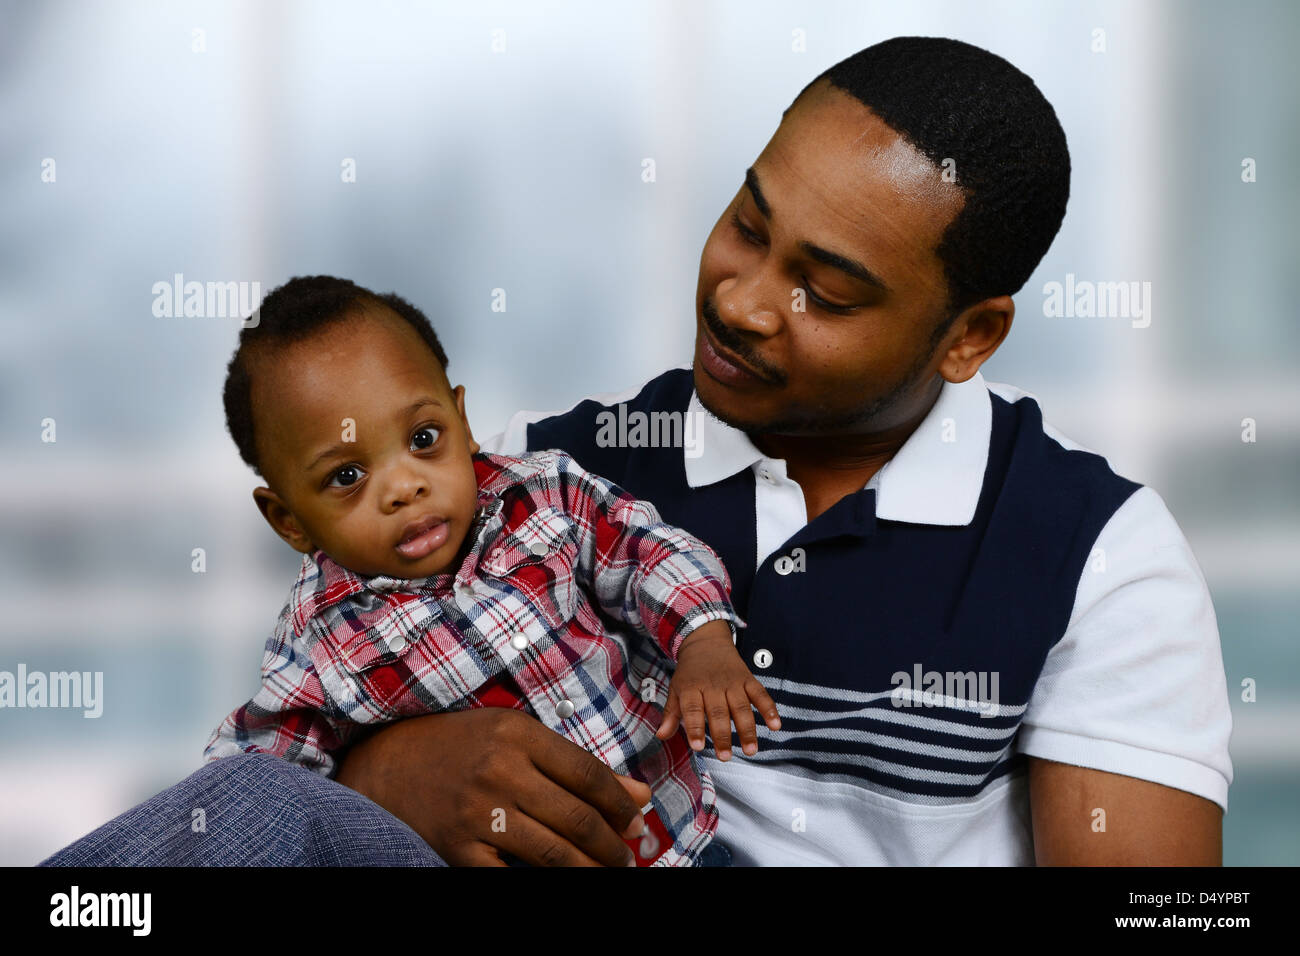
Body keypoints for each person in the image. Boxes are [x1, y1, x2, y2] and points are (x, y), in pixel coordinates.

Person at [42, 36, 1231, 867]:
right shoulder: (524, 482)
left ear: (968, 334)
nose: (745, 300)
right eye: (749, 224)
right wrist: (384, 777)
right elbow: (279, 774)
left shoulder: (1093, 553)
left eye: (824, 289)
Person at [205, 275, 784, 866]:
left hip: (683, 834)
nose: (406, 487)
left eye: (424, 438)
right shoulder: (320, 635)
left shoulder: (542, 494)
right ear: (289, 520)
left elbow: (647, 552)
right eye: (347, 477)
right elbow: (260, 783)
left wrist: (705, 640)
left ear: (462, 419)